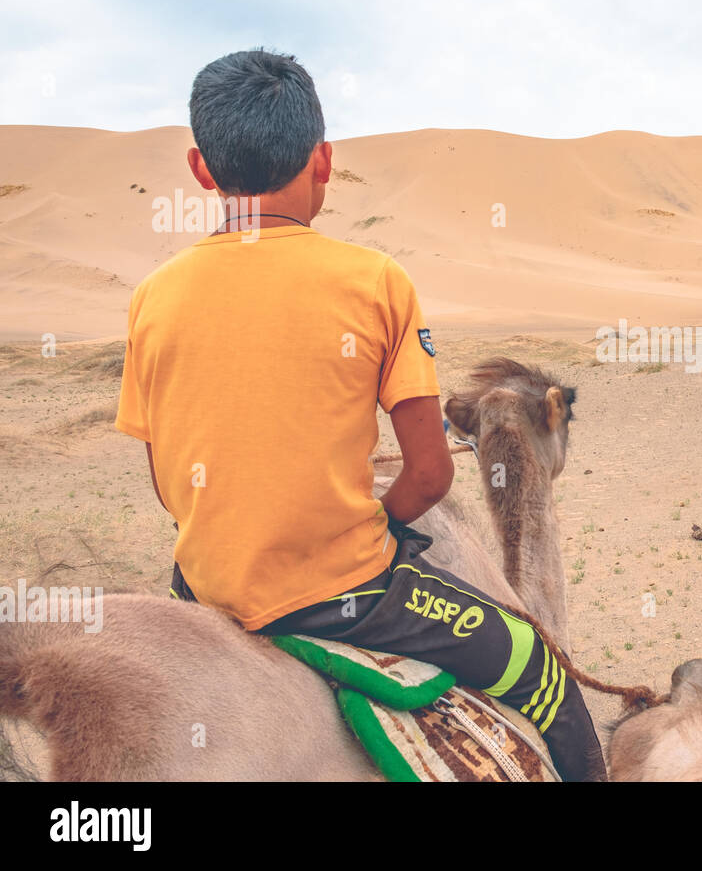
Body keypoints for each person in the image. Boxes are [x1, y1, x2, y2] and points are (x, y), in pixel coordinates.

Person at [114, 50, 605, 782]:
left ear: (201, 169)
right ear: (324, 161)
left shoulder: (152, 296)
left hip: (203, 586)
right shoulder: (375, 281)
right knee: (546, 675)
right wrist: (374, 530)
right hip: (343, 595)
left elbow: (165, 480)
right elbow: (431, 473)